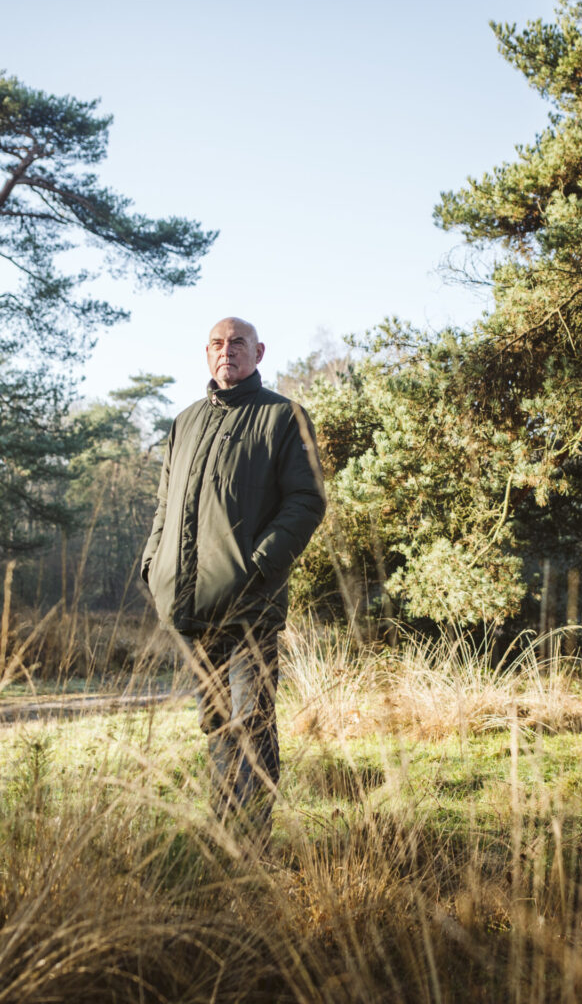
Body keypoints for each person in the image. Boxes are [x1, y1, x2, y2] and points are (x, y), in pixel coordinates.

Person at [141, 316, 326, 843]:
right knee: (217, 726)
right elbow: (164, 506)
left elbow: (307, 500)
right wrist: (152, 565)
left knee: (252, 725)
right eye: (218, 345)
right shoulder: (185, 422)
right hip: (190, 608)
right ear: (207, 355)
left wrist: (259, 567)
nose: (228, 352)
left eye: (238, 343)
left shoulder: (283, 417)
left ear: (259, 352)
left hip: (249, 608)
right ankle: (225, 840)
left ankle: (250, 847)